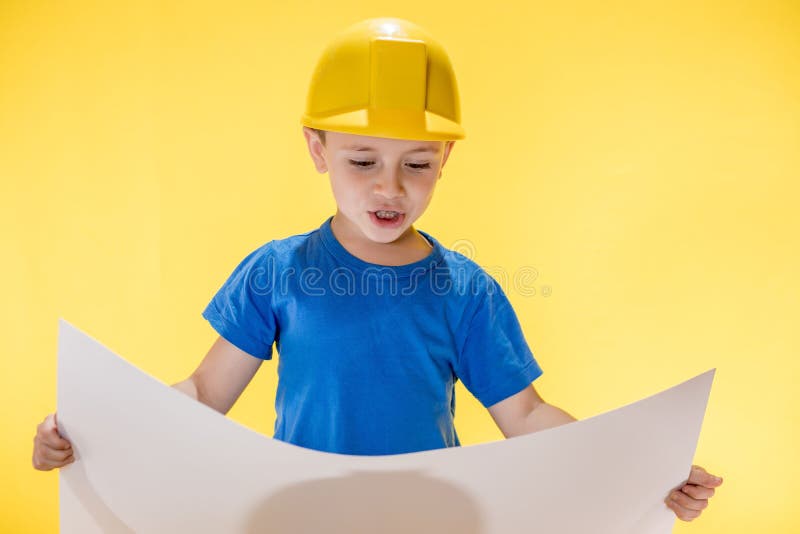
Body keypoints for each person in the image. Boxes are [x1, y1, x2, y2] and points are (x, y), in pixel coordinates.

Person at [32, 17, 722, 523]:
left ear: (443, 160)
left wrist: (641, 470)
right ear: (317, 149)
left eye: (416, 165)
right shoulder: (277, 274)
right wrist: (92, 430)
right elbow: (203, 396)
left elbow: (530, 416)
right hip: (296, 517)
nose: (389, 189)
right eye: (363, 161)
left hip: (428, 518)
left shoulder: (466, 292)